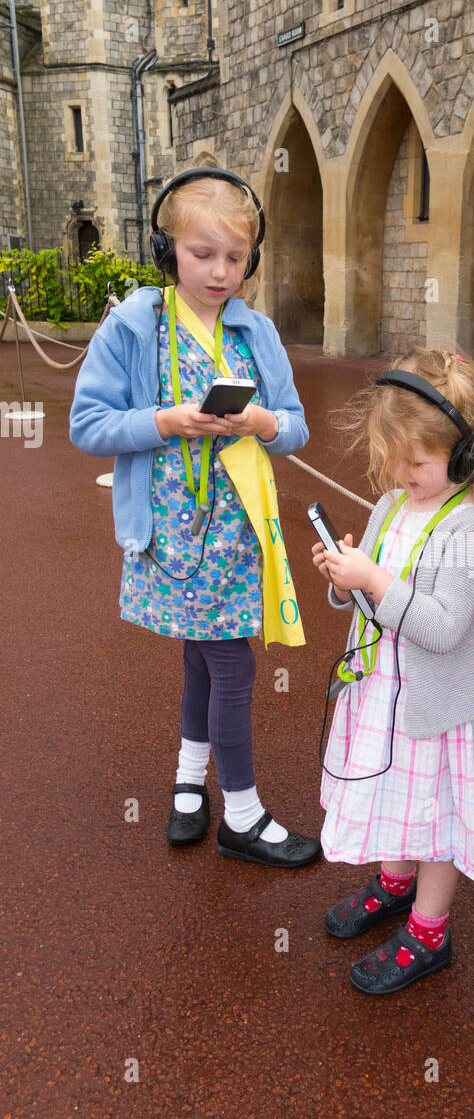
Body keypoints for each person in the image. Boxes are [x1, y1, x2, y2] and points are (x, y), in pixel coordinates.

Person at [70, 166, 320, 868]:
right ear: (166, 251)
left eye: (235, 258)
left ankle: (188, 782)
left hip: (239, 530)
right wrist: (166, 420)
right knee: (226, 660)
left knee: (211, 655)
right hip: (169, 530)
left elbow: (295, 428)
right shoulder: (133, 323)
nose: (220, 272)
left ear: (253, 261)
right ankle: (239, 814)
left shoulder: (257, 329)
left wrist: (264, 421)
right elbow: (87, 426)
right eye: (202, 253)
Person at [311, 349, 474, 994]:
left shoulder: (468, 529)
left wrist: (373, 579)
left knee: (436, 817)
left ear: (464, 456)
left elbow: (443, 628)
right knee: (395, 800)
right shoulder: (390, 509)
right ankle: (395, 885)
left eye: (415, 462)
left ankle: (430, 929)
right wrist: (346, 580)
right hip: (381, 694)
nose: (399, 474)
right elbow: (369, 597)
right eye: (391, 459)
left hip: (433, 712)